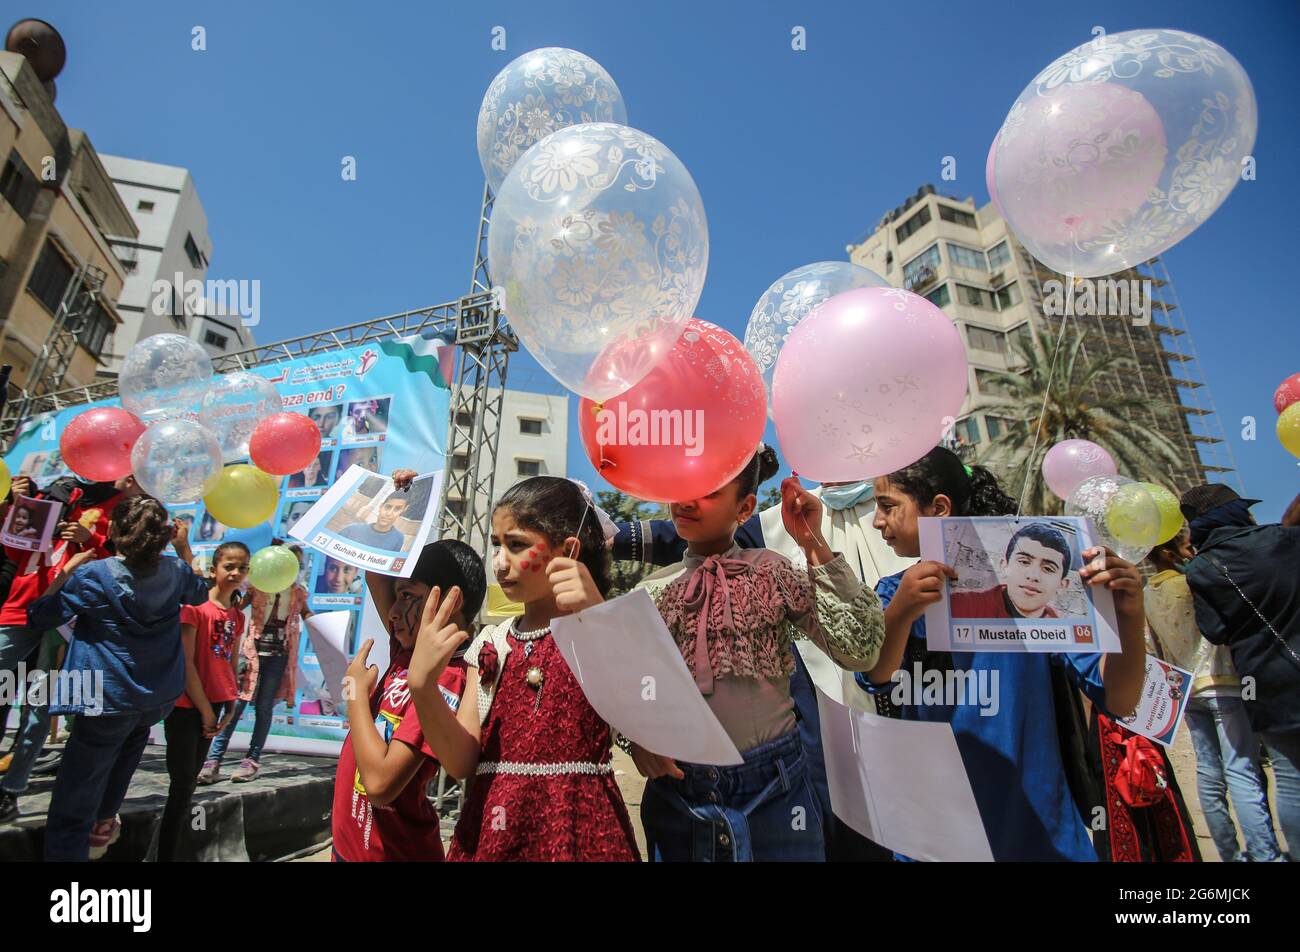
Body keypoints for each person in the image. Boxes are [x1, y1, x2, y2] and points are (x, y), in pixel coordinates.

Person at [855, 447, 1149, 861]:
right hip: (936, 831)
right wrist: (901, 612)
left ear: (939, 508)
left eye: (887, 505)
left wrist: (1130, 616)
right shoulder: (894, 592)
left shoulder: (1040, 600)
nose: (877, 520)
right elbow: (877, 675)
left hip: (1039, 830)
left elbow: (1119, 697)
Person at [613, 472, 909, 861]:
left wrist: (813, 543)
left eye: (709, 492)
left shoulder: (773, 570)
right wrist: (635, 737)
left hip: (778, 791)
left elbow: (858, 649)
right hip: (682, 799)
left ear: (745, 508)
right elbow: (626, 687)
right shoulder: (650, 592)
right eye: (682, 489)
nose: (687, 502)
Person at [406, 475, 640, 861]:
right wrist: (422, 687)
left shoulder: (602, 630)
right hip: (493, 835)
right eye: (497, 545)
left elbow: (647, 726)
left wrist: (596, 615)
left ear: (568, 550)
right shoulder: (489, 645)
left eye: (517, 545)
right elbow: (462, 761)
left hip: (582, 833)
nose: (499, 562)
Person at [27, 497, 208, 860]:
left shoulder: (92, 576)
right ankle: (102, 829)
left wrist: (65, 573)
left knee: (73, 803)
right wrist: (183, 547)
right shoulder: (177, 571)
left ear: (114, 531)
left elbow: (40, 615)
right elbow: (199, 593)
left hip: (105, 699)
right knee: (124, 760)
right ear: (164, 535)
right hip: (153, 698)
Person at [331, 536, 486, 861]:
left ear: (449, 602)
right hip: (349, 849)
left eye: (406, 595)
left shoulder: (445, 678)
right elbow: (375, 570)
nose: (393, 612)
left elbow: (380, 784)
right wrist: (401, 496)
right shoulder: (408, 647)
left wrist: (356, 696)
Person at [0, 474, 141, 824]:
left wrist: (88, 538)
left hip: (64, 618)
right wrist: (11, 506)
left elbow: (121, 561)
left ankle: (11, 791)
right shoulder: (57, 493)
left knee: (38, 710)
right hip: (20, 607)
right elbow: (14, 549)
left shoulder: (121, 507)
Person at [1145, 527, 1281, 862]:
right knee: (1241, 769)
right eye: (1184, 545)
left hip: (1186, 688)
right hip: (1221, 681)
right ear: (1168, 552)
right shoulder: (1191, 583)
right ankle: (1265, 854)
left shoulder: (1147, 592)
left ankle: (1228, 854)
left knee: (1209, 771)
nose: (1190, 550)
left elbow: (1153, 647)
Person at [1181, 483, 1300, 858]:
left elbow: (1215, 631)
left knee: (1290, 779)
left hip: (1263, 683)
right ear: (1236, 513)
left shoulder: (1201, 568)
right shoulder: (1283, 539)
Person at [156, 541, 249, 861]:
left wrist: (230, 704)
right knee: (181, 787)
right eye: (229, 566)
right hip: (186, 708)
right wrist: (207, 710)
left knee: (187, 787)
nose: (236, 573)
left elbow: (230, 665)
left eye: (242, 568)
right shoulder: (194, 609)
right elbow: (186, 664)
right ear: (213, 570)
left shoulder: (237, 617)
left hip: (216, 708)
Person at [201, 546, 313, 784]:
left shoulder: (298, 593)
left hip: (279, 655)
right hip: (252, 653)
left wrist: (329, 634)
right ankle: (214, 760)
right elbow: (235, 609)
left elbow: (308, 616)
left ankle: (252, 760)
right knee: (238, 704)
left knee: (264, 707)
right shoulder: (257, 588)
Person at [948, 523, 1073, 619]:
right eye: (1024, 561)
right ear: (1004, 565)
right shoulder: (960, 606)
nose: (1033, 576)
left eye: (1048, 569)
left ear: (1062, 585)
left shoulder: (1062, 631)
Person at [338, 493, 408, 550]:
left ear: (402, 512)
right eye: (388, 507)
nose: (389, 513)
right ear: (381, 507)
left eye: (397, 509)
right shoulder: (352, 529)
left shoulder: (398, 538)